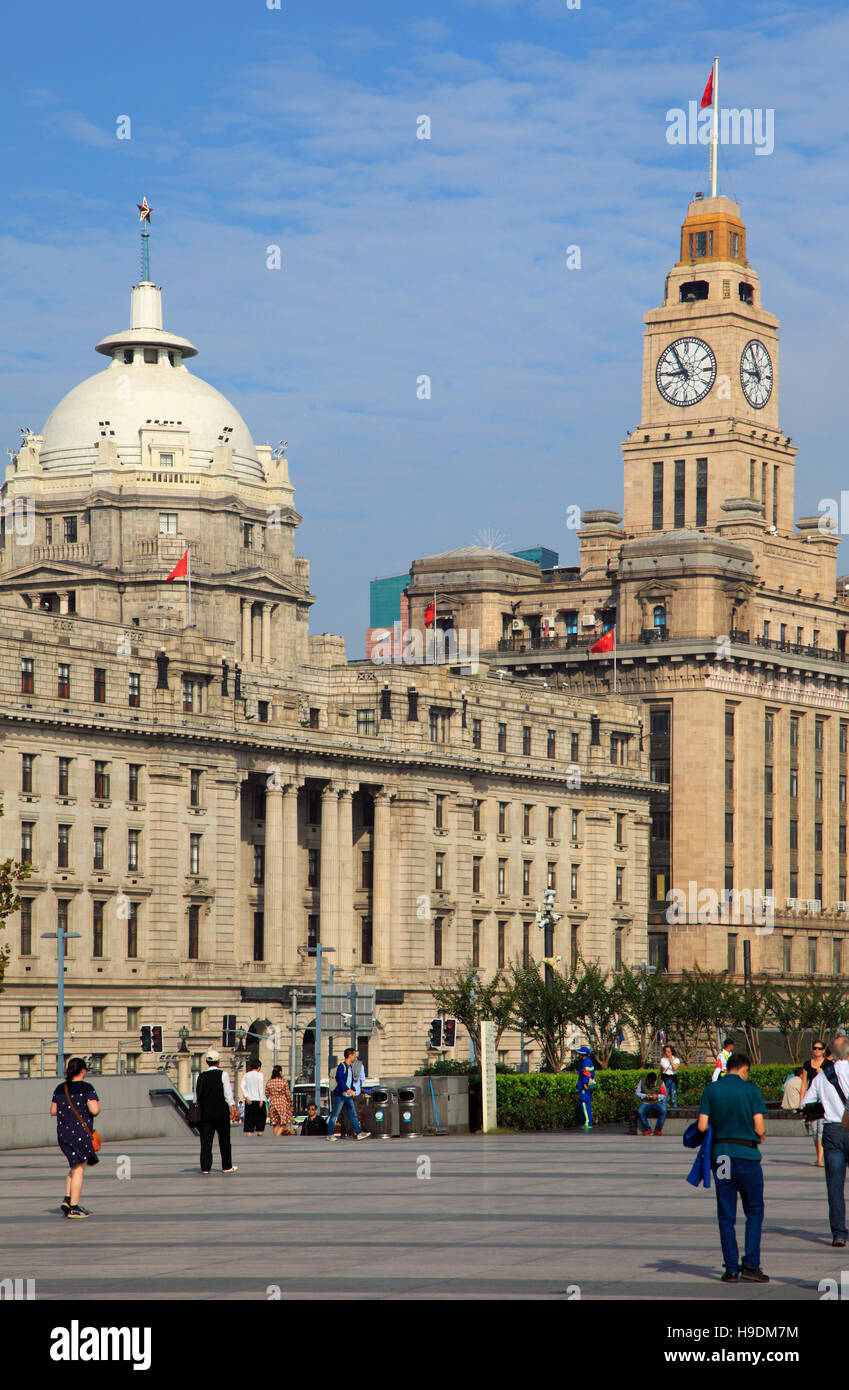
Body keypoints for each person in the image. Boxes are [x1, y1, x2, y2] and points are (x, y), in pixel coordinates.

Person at [697, 1052, 768, 1282]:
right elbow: (759, 1128)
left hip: (722, 1158)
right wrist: (762, 1135)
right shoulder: (750, 1090)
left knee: (726, 1213)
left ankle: (730, 1268)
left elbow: (702, 1125)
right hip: (747, 1156)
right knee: (754, 1210)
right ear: (744, 1069)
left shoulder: (712, 1089)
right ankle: (751, 1264)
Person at [801, 1037, 849, 1247]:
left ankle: (839, 1233)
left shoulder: (822, 1077)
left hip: (832, 1131)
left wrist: (826, 1106)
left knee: (835, 1185)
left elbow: (806, 1103)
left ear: (832, 1053)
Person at [50, 1057, 101, 1219]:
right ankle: (74, 1207)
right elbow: (94, 1110)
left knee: (74, 1166)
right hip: (80, 1133)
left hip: (63, 1133)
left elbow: (53, 1111)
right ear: (83, 1070)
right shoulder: (87, 1088)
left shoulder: (60, 1088)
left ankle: (67, 1198)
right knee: (79, 1169)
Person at [196, 1050, 238, 1174]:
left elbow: (196, 1095)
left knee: (206, 1141)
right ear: (218, 1061)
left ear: (207, 1062)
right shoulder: (223, 1074)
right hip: (221, 1112)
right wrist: (232, 1106)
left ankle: (205, 1168)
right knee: (224, 1139)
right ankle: (226, 1166)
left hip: (205, 1113)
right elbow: (227, 1093)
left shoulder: (201, 1076)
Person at [326, 1048, 371, 1141]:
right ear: (350, 1055)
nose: (355, 1057)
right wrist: (347, 1090)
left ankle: (359, 1133)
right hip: (341, 1095)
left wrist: (352, 1089)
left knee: (353, 1114)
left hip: (347, 1096)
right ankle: (330, 1134)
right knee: (335, 1114)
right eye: (354, 1055)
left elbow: (349, 1082)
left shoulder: (350, 1067)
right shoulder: (342, 1066)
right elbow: (340, 1079)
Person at [799, 1041, 828, 1167]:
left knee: (821, 1129)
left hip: (824, 1099)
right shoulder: (807, 1064)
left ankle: (820, 1158)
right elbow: (804, 1083)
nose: (817, 1051)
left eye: (819, 1049)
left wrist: (821, 1072)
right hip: (812, 1099)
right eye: (814, 1048)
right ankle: (818, 1156)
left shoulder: (829, 1064)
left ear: (823, 1050)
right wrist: (802, 1101)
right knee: (814, 1130)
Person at [240, 1057, 267, 1136]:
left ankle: (249, 1133)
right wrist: (262, 1099)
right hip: (258, 1099)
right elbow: (260, 1087)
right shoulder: (260, 1075)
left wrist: (246, 1096)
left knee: (249, 1118)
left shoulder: (246, 1075)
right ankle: (260, 1132)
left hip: (249, 1100)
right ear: (259, 1067)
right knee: (260, 1117)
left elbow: (242, 1086)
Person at [265, 1065, 293, 1137]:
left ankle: (275, 1138)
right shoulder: (284, 1082)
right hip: (282, 1103)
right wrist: (290, 1103)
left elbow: (266, 1094)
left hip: (272, 1103)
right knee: (283, 1123)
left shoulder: (269, 1082)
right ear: (280, 1072)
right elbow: (288, 1094)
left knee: (275, 1123)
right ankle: (277, 1136)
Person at [575, 1046, 595, 1130]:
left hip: (584, 1087)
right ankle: (587, 1121)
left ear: (582, 1054)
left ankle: (587, 1122)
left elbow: (586, 1073)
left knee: (584, 1104)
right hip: (586, 1086)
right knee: (586, 1104)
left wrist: (584, 1084)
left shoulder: (585, 1062)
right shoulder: (588, 1061)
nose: (578, 1055)